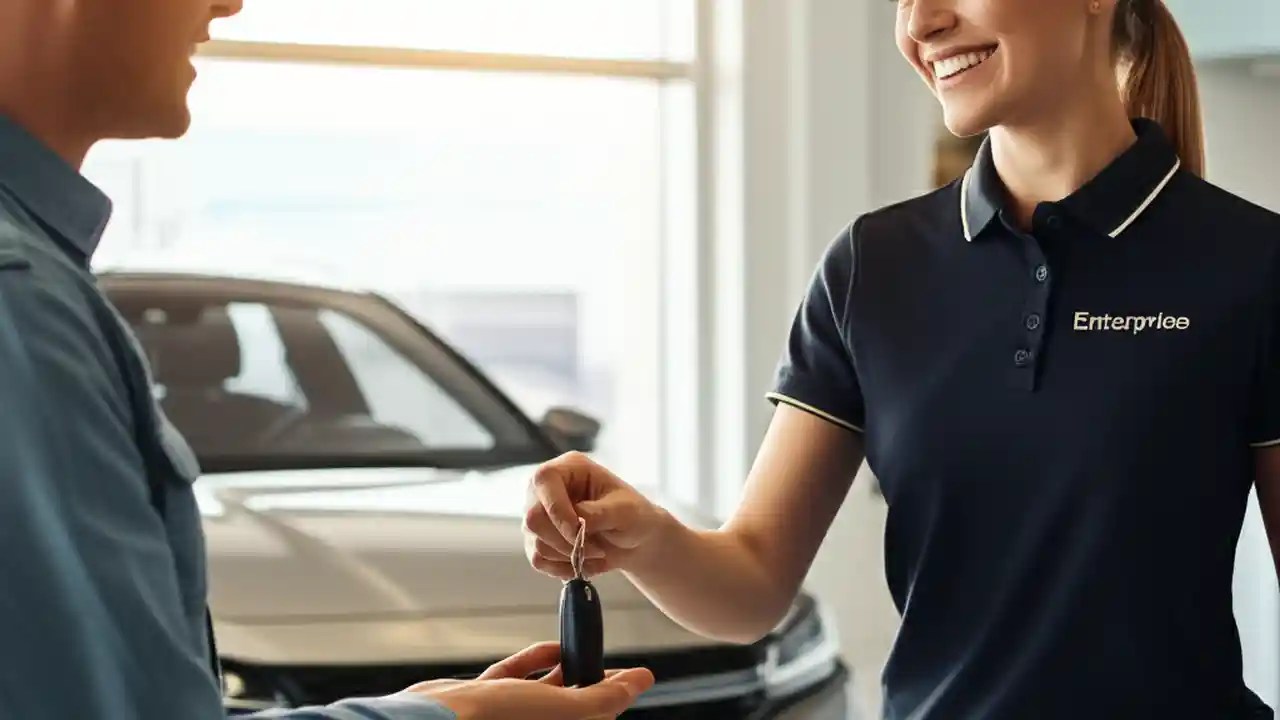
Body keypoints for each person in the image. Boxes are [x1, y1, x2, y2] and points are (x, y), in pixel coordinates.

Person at [524, 0, 1280, 717]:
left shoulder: (1254, 266)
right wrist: (648, 538)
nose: (920, 22)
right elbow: (750, 587)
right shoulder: (873, 267)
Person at [0, 0, 654, 718]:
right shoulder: (23, 300)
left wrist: (434, 709)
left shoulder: (39, 282)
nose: (228, 3)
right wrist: (455, 718)